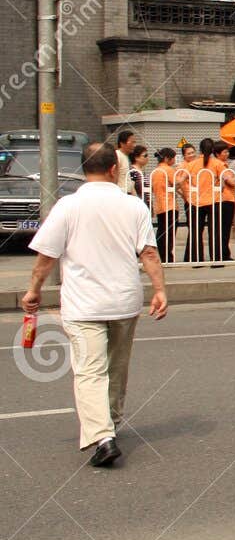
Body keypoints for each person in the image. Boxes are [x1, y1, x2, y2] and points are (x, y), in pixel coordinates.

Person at [21, 141, 168, 467]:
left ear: (83, 169)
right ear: (114, 169)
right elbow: (149, 254)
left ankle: (102, 436)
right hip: (124, 301)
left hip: (83, 305)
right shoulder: (134, 206)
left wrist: (33, 290)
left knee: (89, 371)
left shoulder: (67, 206)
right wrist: (160, 290)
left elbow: (47, 257)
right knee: (117, 366)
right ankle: (111, 422)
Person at [148, 148, 178, 263]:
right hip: (170, 205)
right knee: (169, 234)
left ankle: (161, 257)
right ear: (167, 158)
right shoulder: (168, 170)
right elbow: (177, 182)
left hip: (159, 206)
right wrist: (184, 176)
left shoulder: (155, 171)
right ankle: (168, 258)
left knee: (161, 232)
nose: (174, 160)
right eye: (173, 158)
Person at [114, 129, 138, 195]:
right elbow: (115, 176)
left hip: (127, 194)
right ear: (122, 143)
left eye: (135, 142)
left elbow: (129, 179)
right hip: (120, 194)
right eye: (132, 142)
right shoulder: (117, 155)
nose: (134, 145)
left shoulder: (126, 157)